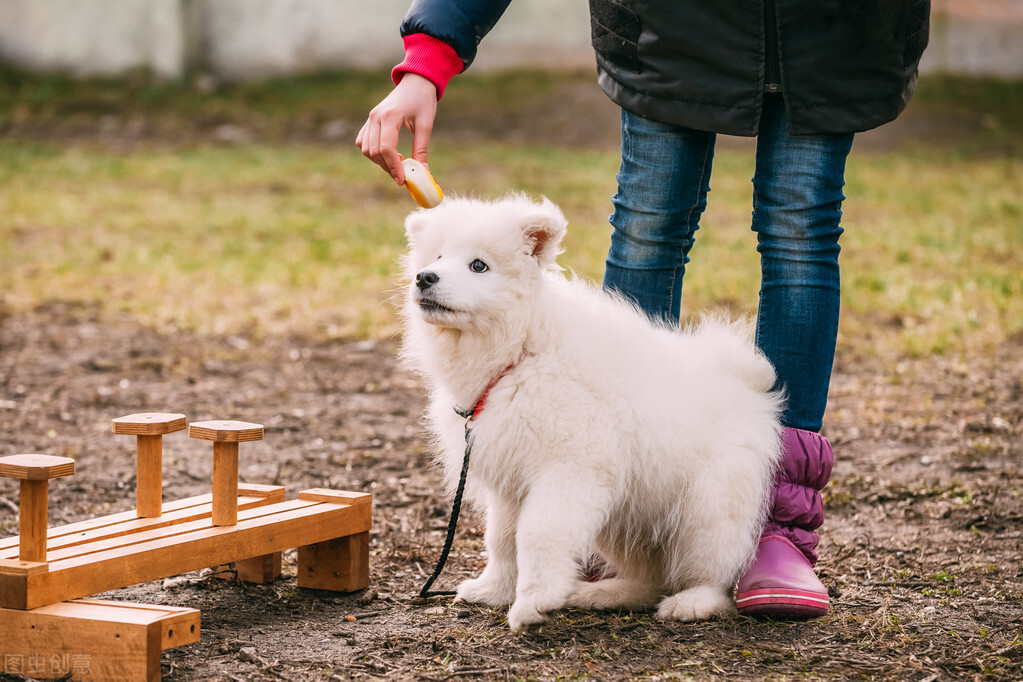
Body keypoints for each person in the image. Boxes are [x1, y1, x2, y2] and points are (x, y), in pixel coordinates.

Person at [357, 0, 930, 618]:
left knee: (800, 237)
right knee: (647, 231)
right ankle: (607, 526)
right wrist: (428, 59)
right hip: (672, 28)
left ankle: (775, 525)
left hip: (833, 31)